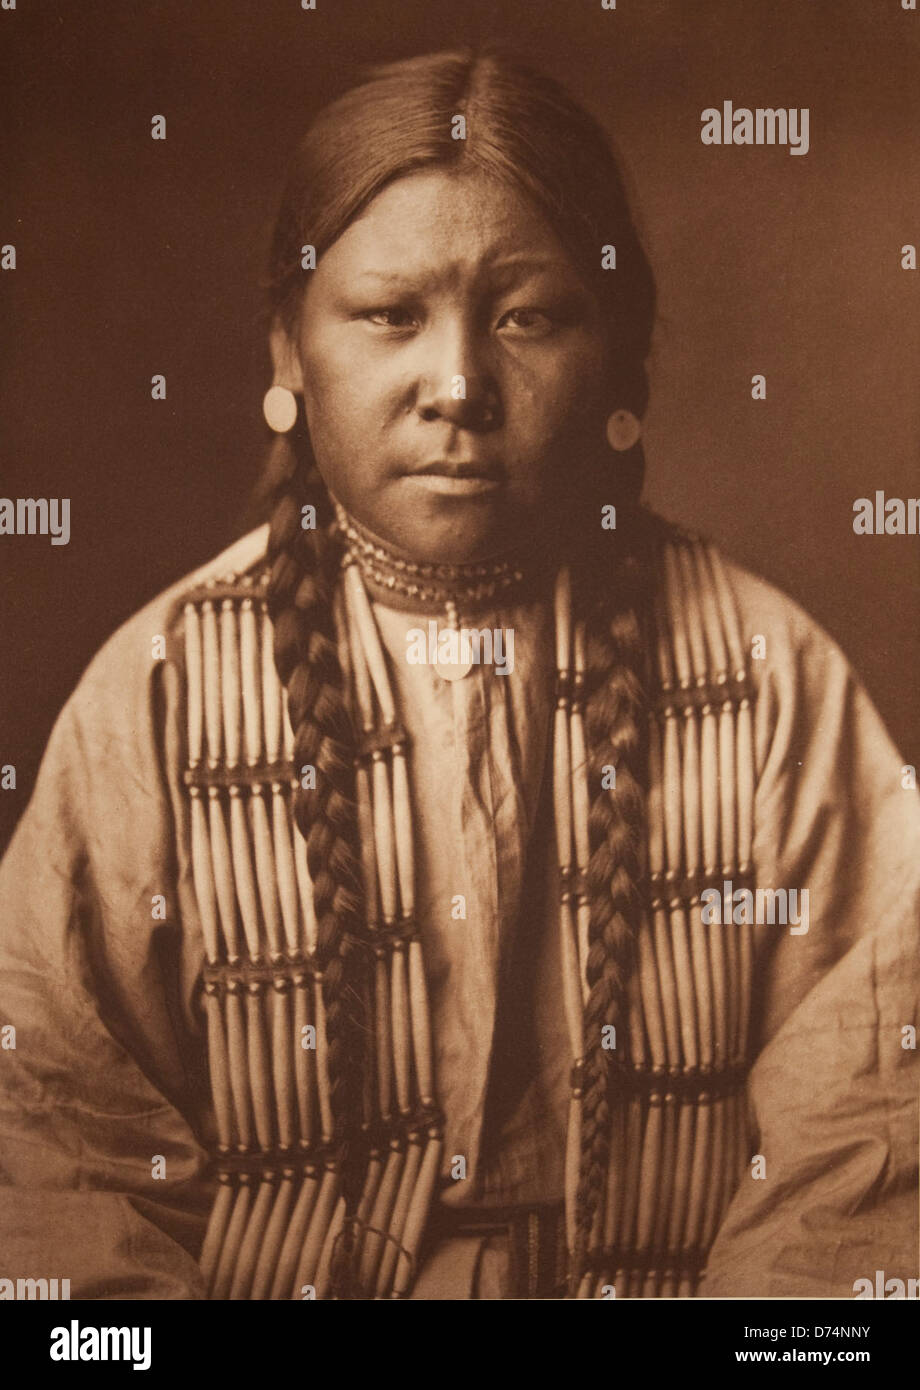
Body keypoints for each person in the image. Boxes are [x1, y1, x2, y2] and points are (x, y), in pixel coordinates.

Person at [0, 48, 917, 1302]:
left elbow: (862, 1144)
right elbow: (54, 1160)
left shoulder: (766, 678)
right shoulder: (157, 697)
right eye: (389, 315)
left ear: (618, 352)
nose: (458, 387)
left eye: (525, 315)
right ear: (287, 350)